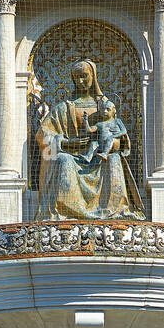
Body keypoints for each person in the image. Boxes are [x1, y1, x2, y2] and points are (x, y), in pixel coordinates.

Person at [35, 59, 144, 222]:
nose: (81, 81)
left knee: (114, 159)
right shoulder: (64, 107)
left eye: (84, 76)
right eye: (77, 77)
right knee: (64, 160)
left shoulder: (106, 106)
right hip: (73, 157)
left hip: (100, 156)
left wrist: (110, 145)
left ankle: (115, 210)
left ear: (93, 76)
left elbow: (121, 138)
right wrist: (65, 143)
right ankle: (67, 211)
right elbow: (41, 134)